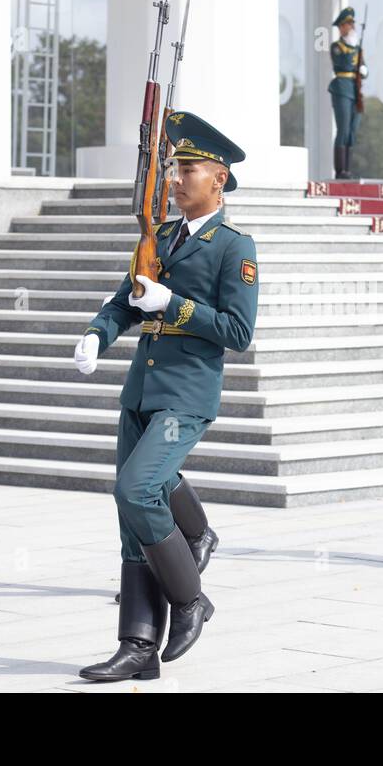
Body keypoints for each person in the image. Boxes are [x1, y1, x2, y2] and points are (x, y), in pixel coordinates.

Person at [73, 111, 258, 680]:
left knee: (135, 489)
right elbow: (125, 300)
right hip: (142, 392)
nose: (175, 181)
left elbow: (238, 332)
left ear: (218, 181)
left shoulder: (234, 247)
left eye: (188, 170)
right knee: (131, 516)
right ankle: (137, 646)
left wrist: (172, 306)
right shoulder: (161, 238)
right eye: (173, 170)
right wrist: (96, 335)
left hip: (186, 396)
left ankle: (191, 599)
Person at [327, 6, 367, 179]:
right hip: (342, 88)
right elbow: (342, 63)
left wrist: (364, 69)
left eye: (351, 24)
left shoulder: (357, 48)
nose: (350, 27)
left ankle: (348, 169)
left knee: (352, 129)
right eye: (347, 24)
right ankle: (340, 170)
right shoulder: (337, 46)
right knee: (343, 129)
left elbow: (364, 68)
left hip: (354, 89)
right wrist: (355, 52)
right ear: (341, 27)